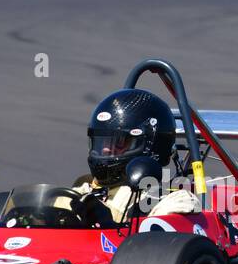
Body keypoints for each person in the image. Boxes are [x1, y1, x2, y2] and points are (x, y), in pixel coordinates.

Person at [72, 89, 200, 225]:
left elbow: (157, 242)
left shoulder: (173, 201)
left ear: (149, 147)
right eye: (101, 142)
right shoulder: (82, 191)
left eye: (119, 143)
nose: (105, 149)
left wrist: (110, 226)